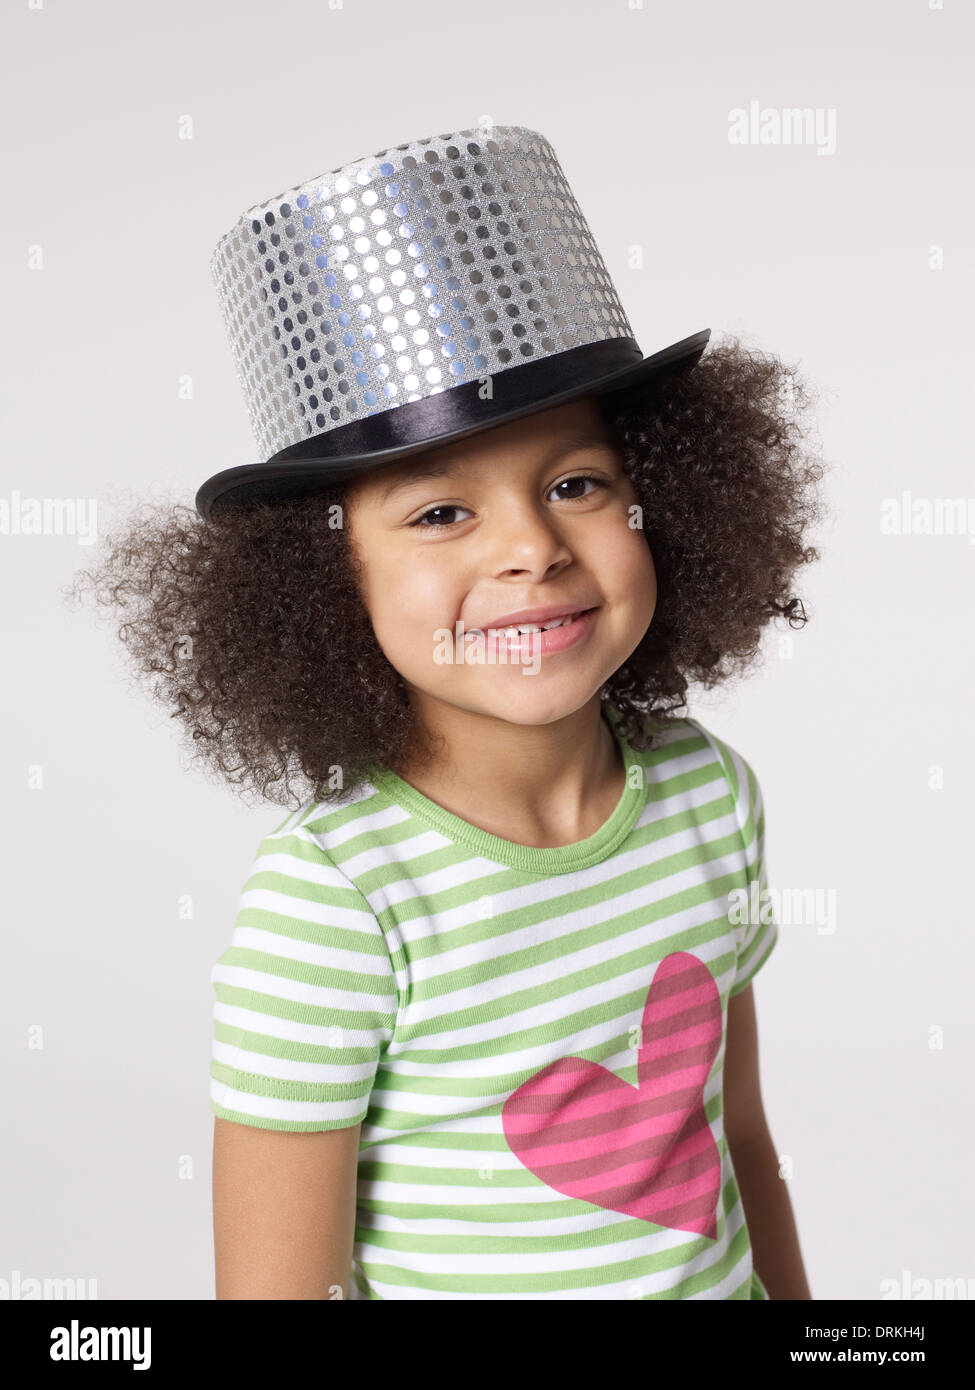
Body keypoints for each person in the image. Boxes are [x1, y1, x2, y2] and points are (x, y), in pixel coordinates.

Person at [70, 125, 823, 1300]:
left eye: (578, 484)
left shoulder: (709, 795)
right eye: (437, 515)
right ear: (330, 583)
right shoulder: (339, 898)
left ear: (664, 503)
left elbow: (745, 1152)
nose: (531, 548)